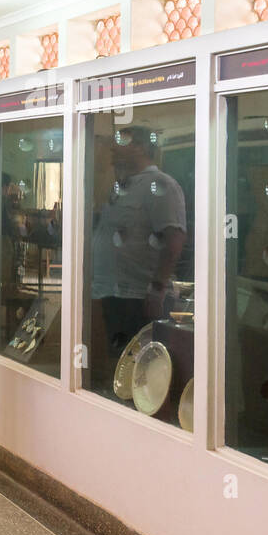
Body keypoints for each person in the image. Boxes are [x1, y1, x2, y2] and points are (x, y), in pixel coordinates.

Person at [89, 127, 187, 391]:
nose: (112, 147)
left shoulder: (161, 185)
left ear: (141, 148)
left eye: (119, 142)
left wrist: (157, 290)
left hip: (137, 297)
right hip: (113, 292)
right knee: (120, 367)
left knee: (142, 371)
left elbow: (174, 239)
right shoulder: (122, 186)